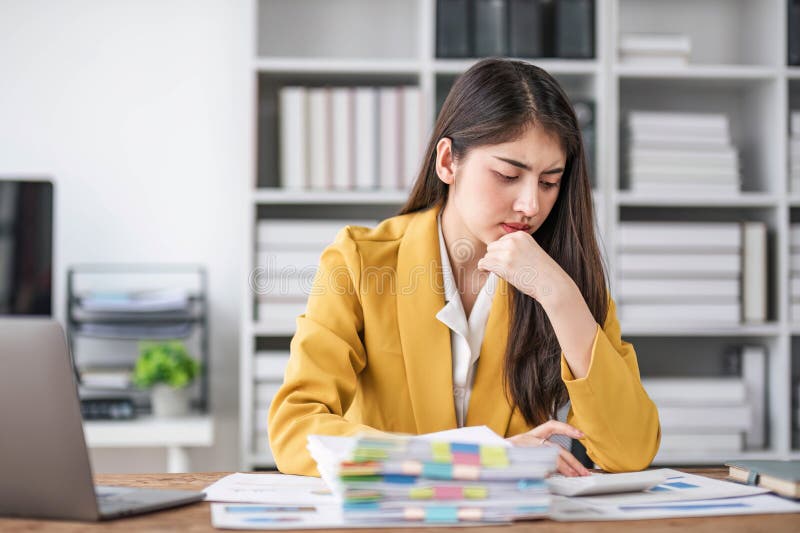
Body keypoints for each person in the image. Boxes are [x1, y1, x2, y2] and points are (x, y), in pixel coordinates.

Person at [268, 58, 660, 477]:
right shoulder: (359, 260)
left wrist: (560, 297)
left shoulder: (564, 277)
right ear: (448, 162)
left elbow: (630, 450)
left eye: (549, 182)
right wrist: (466, 457)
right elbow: (296, 430)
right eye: (508, 175)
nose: (530, 205)